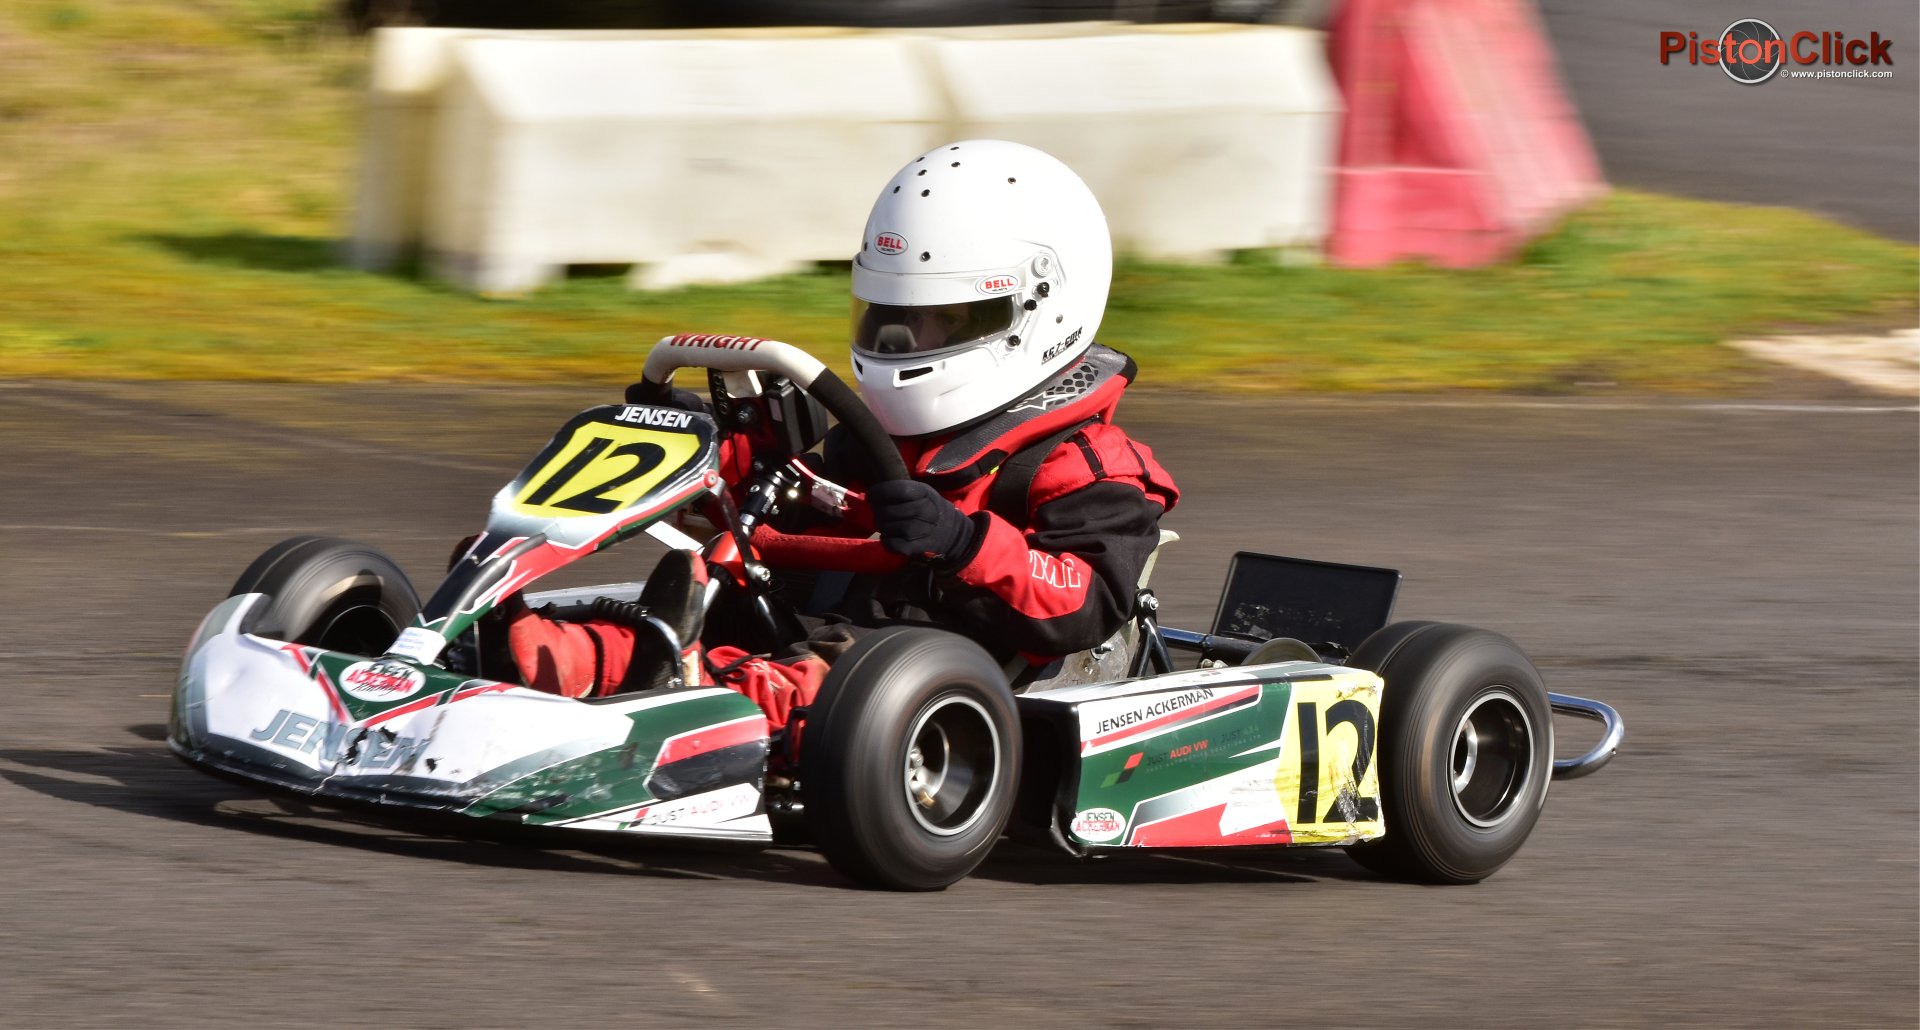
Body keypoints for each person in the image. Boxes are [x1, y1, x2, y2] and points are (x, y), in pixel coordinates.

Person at [504, 140, 1179, 728]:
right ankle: (566, 657)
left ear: (1037, 306)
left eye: (941, 322)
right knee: (718, 596)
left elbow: (1086, 601)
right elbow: (804, 513)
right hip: (823, 632)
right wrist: (718, 460)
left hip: (940, 678)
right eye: (893, 318)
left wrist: (966, 542)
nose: (908, 342)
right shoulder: (875, 434)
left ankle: (687, 696)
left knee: (835, 674)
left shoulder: (1083, 463)